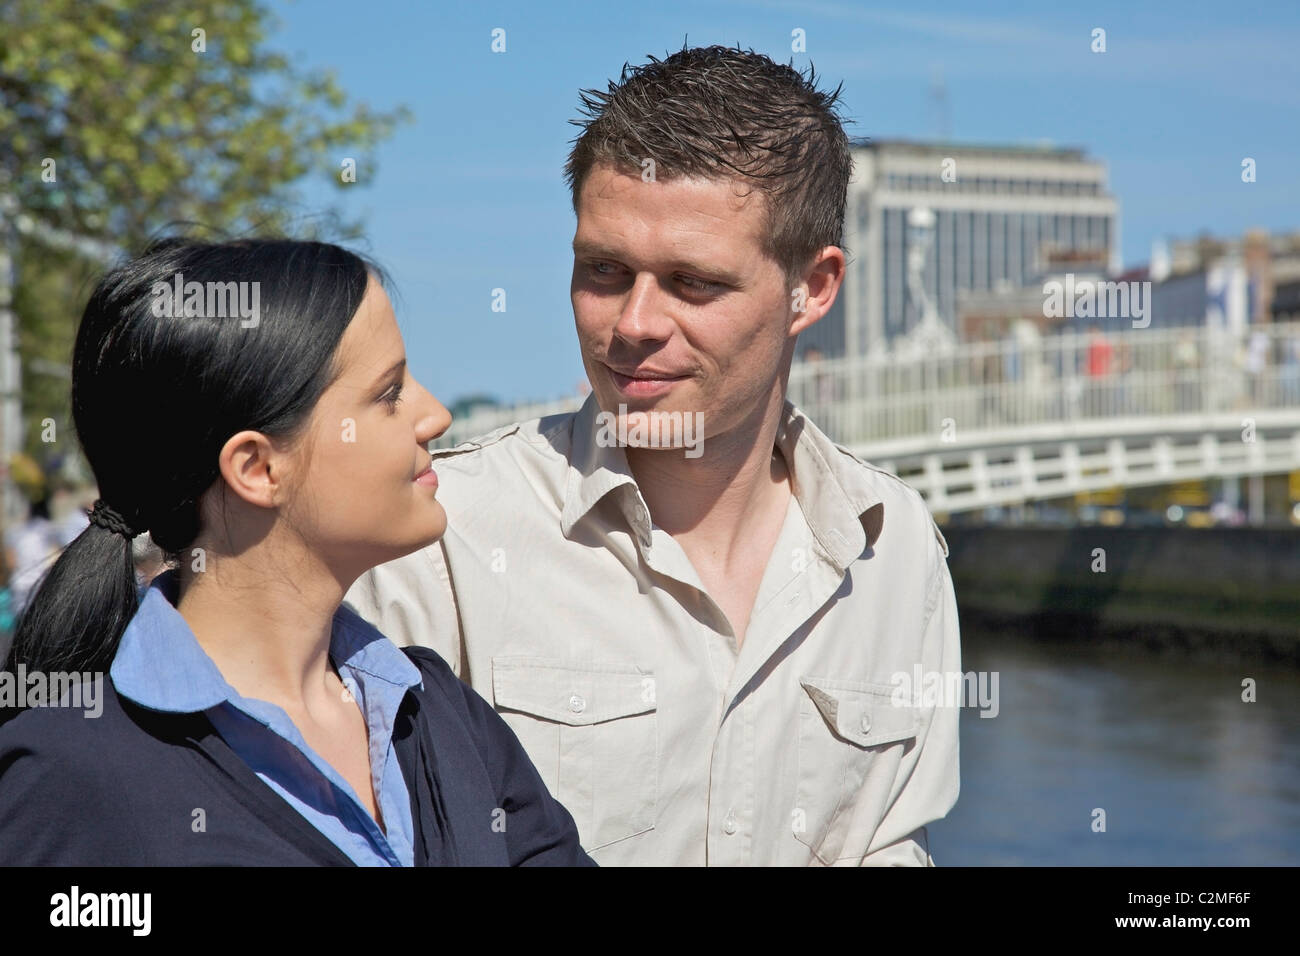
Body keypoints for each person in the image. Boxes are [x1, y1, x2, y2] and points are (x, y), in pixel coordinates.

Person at [347, 46, 961, 866]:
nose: (634, 322)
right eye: (604, 270)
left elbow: (892, 845)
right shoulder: (437, 539)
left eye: (692, 282)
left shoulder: (897, 547)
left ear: (812, 288)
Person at [0, 237, 594, 867]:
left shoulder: (440, 715)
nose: (436, 415)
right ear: (257, 468)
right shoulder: (69, 780)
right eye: (389, 393)